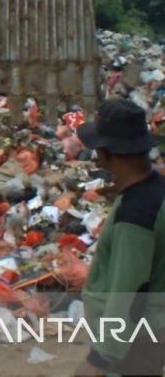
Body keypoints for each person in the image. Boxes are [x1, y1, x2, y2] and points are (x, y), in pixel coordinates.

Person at [75, 99, 165, 376]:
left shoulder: (135, 214)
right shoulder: (155, 188)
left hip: (132, 342)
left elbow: (129, 291)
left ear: (104, 153)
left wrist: (100, 358)